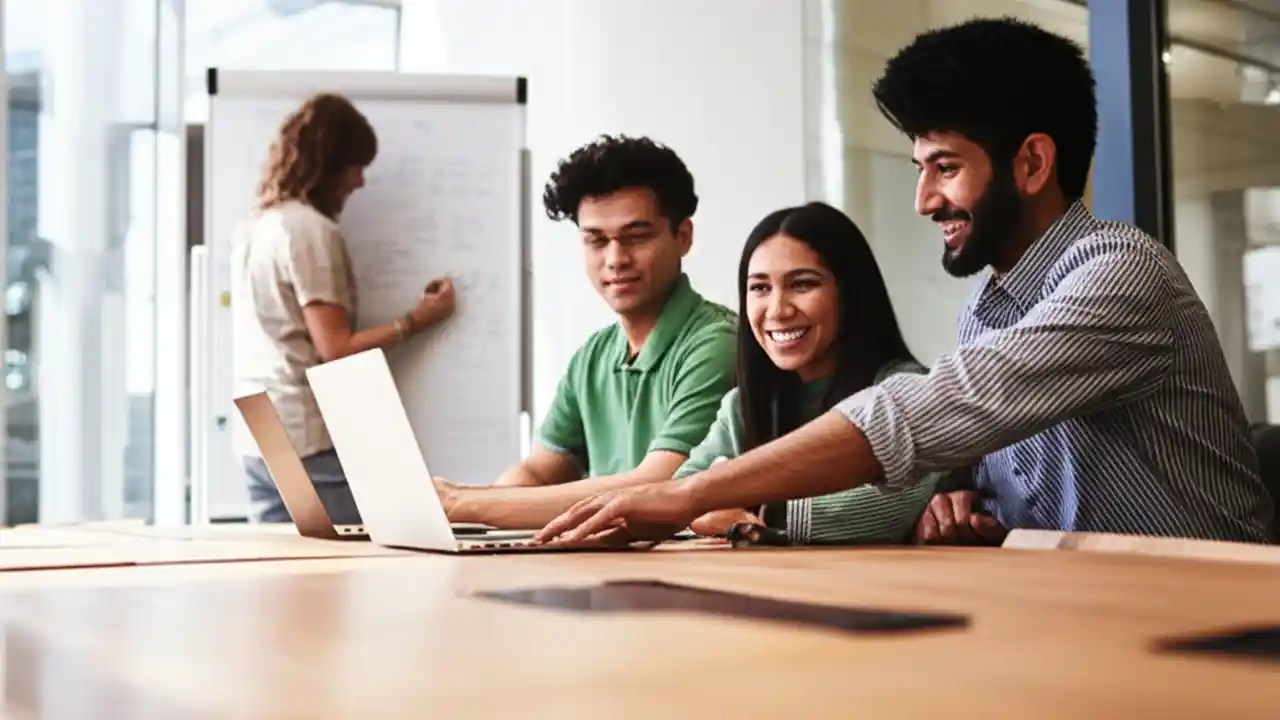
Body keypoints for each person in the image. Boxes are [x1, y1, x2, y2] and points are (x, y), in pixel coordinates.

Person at [536, 18, 1275, 547]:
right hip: (1074, 610)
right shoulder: (987, 313)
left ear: (1031, 163)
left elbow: (926, 410)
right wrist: (963, 502)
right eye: (919, 168)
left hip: (1210, 621)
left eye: (946, 167)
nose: (924, 201)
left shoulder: (1123, 275)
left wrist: (689, 494)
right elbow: (986, 466)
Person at [436, 135, 736, 525]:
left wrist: (465, 504)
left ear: (683, 237)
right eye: (596, 240)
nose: (615, 259)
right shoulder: (594, 354)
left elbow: (656, 485)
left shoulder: (717, 343)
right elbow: (539, 472)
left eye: (636, 237)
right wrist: (477, 510)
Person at [232, 93, 456, 523]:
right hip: (302, 432)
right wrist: (417, 320)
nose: (360, 182)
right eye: (356, 167)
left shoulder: (256, 226)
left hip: (261, 425)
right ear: (332, 165)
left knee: (281, 571)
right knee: (341, 569)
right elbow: (333, 348)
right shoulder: (310, 232)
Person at [679, 202, 948, 544]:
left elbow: (887, 508)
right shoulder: (742, 405)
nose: (777, 309)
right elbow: (682, 489)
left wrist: (754, 516)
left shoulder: (905, 390)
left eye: (802, 284)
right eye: (760, 288)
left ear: (850, 292)